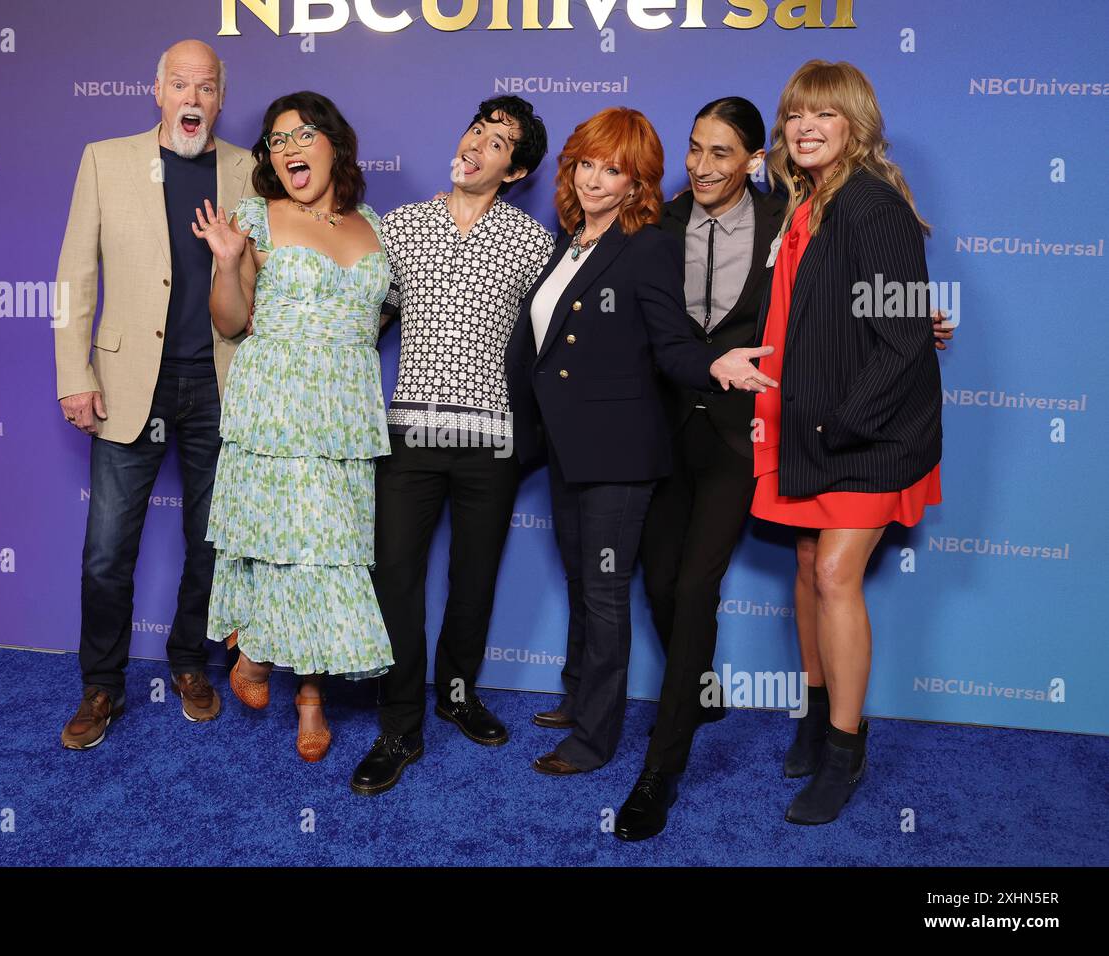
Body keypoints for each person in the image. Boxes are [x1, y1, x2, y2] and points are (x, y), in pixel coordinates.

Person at [504, 107, 775, 778]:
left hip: (620, 450)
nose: (596, 180)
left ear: (636, 183)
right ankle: (579, 697)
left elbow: (672, 339)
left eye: (614, 170)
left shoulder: (647, 244)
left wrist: (713, 365)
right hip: (568, 446)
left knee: (602, 589)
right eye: (587, 164)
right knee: (582, 579)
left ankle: (596, 736)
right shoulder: (571, 240)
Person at [754, 60, 942, 825]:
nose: (805, 126)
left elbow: (903, 343)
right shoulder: (803, 207)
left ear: (855, 127)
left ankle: (844, 748)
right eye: (796, 113)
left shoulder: (872, 207)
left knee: (835, 573)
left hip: (871, 428)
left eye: (824, 116)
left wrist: (835, 422)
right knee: (806, 564)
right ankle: (814, 707)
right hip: (809, 418)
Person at [55, 39, 257, 749]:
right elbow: (74, 277)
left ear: (221, 98)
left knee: (209, 543)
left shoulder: (248, 171)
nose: (193, 98)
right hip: (125, 384)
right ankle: (101, 685)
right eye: (180, 84)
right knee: (107, 551)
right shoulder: (104, 159)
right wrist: (73, 374)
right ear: (158, 91)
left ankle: (189, 663)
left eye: (206, 87)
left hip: (218, 383)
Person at [350, 96, 555, 796]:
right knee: (395, 578)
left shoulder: (532, 242)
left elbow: (552, 345)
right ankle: (399, 724)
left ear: (516, 169)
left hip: (491, 444)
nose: (478, 145)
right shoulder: (400, 227)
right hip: (408, 435)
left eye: (498, 143)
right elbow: (364, 322)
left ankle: (458, 694)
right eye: (476, 130)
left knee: (473, 581)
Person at [192, 91, 394, 763]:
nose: (289, 149)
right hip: (279, 399)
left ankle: (275, 667)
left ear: (335, 144)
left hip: (347, 405)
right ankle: (289, 685)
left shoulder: (370, 222)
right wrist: (225, 262)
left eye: (303, 135)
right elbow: (228, 321)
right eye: (276, 141)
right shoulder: (258, 216)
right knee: (295, 538)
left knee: (329, 547)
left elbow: (374, 315)